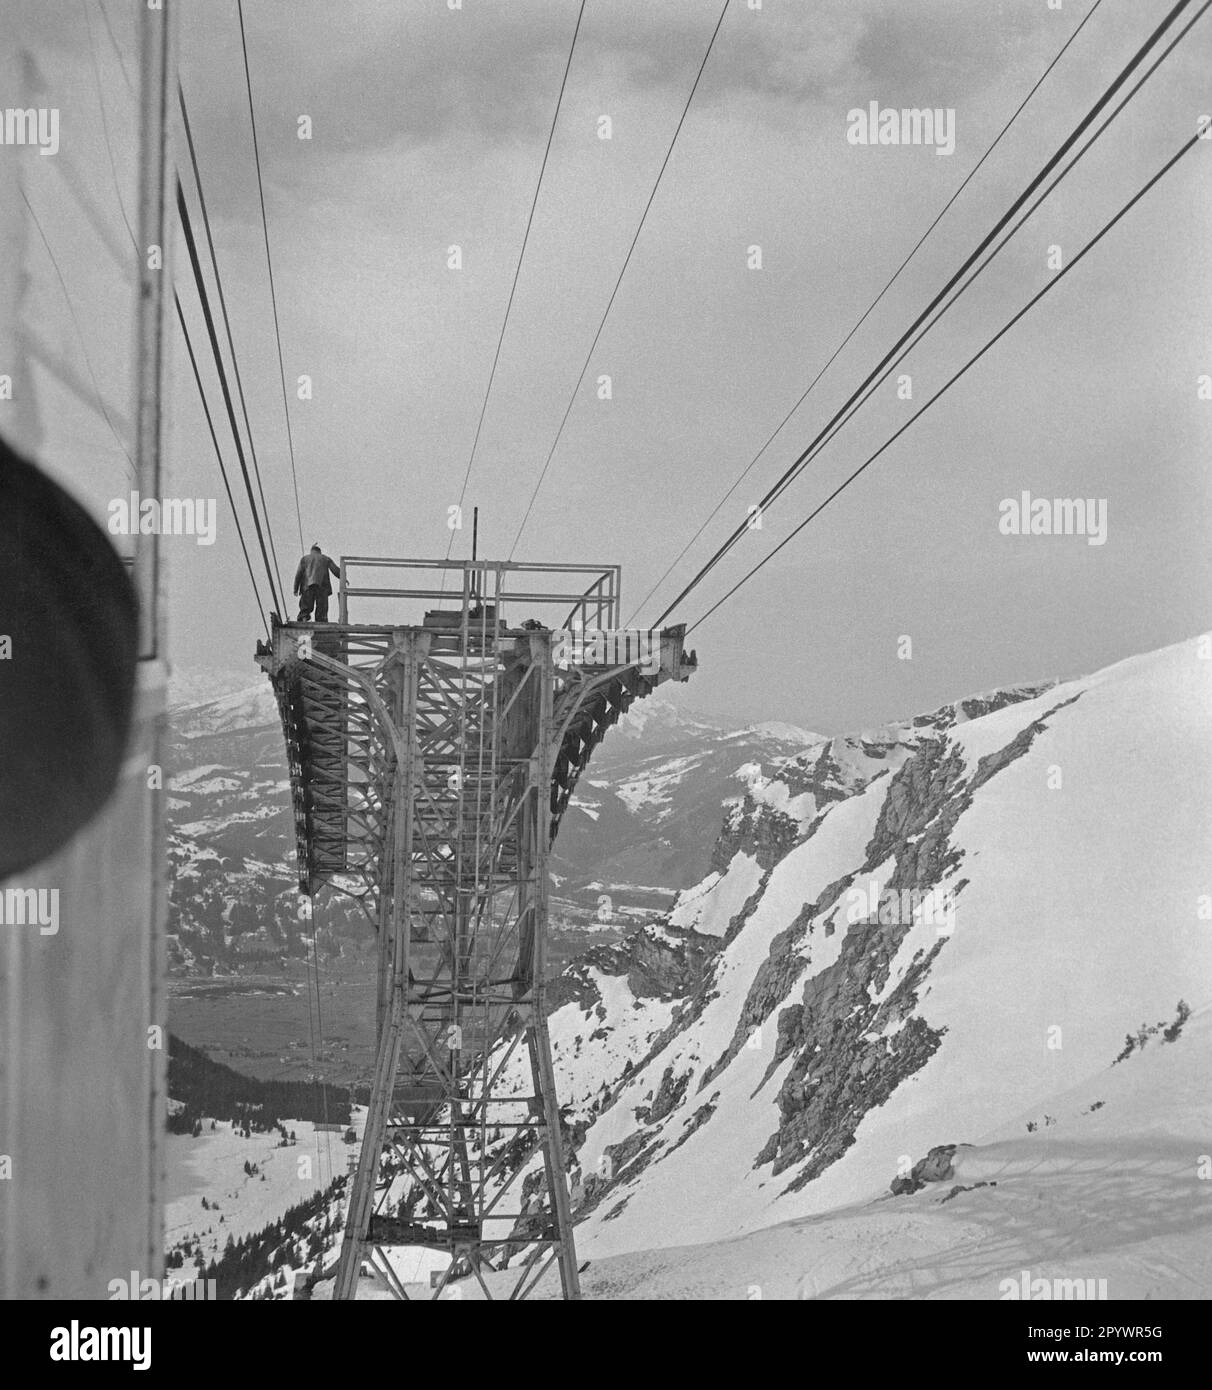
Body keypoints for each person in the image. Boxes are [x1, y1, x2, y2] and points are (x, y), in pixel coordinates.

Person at [293, 543, 340, 622]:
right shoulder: (325, 558)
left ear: (311, 551)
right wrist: (343, 578)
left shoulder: (305, 559)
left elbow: (298, 575)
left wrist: (295, 589)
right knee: (322, 607)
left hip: (307, 586)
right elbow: (335, 570)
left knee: (306, 604)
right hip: (322, 586)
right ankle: (321, 621)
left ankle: (304, 618)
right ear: (320, 552)